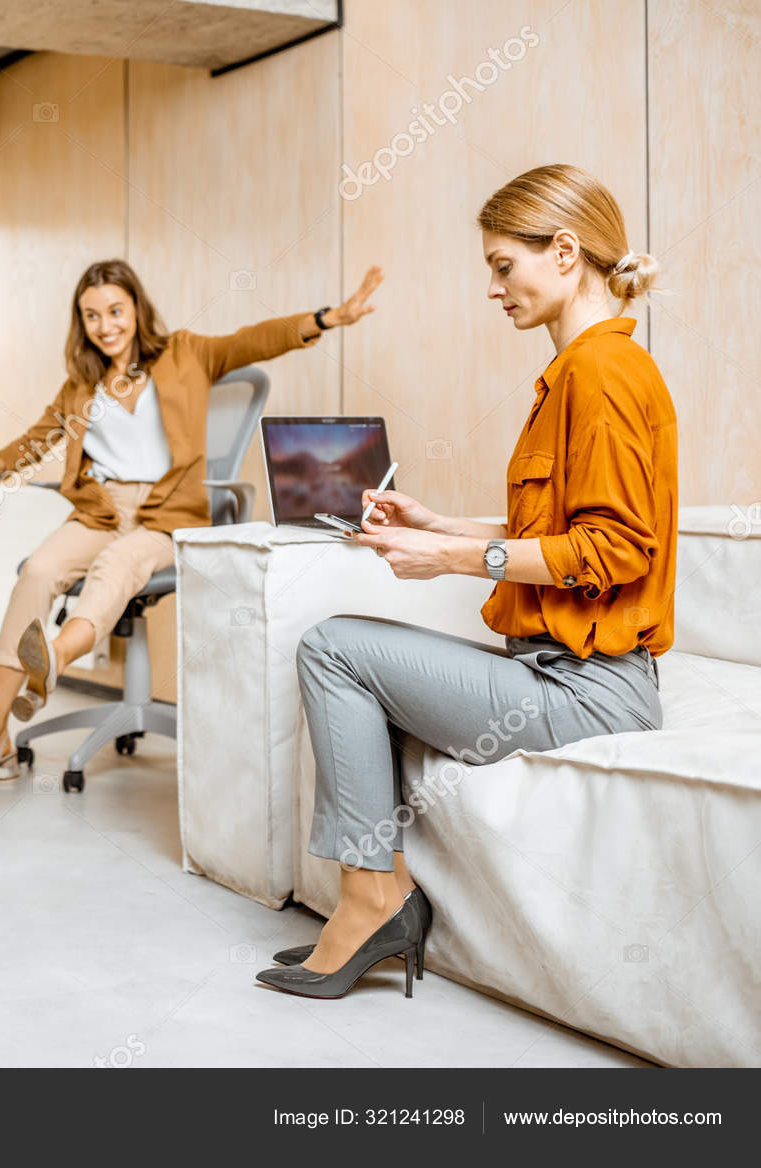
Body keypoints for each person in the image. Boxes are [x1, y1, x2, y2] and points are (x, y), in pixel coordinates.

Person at [257, 164, 674, 998]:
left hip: (590, 689)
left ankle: (374, 898)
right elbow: (555, 533)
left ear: (564, 252)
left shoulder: (601, 376)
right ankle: (375, 897)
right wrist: (440, 525)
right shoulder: (584, 370)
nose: (492, 287)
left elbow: (617, 549)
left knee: (335, 649)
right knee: (342, 647)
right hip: (560, 672)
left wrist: (450, 560)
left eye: (502, 266)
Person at [0, 258, 383, 796]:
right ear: (82, 322)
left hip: (165, 516)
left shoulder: (186, 353)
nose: (106, 326)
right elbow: (37, 440)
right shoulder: (81, 384)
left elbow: (256, 341)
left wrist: (330, 317)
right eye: (92, 316)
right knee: (38, 570)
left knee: (118, 566)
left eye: (116, 311)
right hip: (101, 509)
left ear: (136, 309)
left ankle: (57, 655)